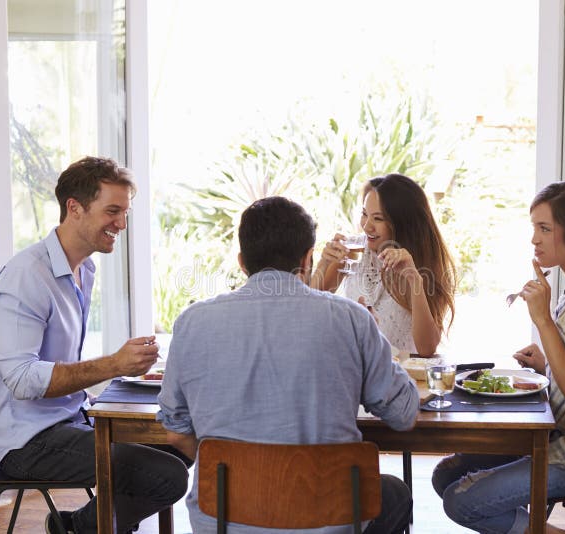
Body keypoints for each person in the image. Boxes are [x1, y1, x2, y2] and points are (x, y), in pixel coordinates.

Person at [157, 196, 419, 534]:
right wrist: (374, 343)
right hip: (330, 519)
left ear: (241, 262)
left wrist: (247, 476)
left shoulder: (191, 322)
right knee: (393, 493)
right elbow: (405, 414)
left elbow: (177, 434)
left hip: (225, 518)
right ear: (308, 260)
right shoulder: (352, 319)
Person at [0, 156, 189, 534]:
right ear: (74, 209)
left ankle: (80, 527)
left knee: (181, 442)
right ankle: (79, 530)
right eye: (113, 211)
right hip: (26, 443)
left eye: (125, 212)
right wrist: (114, 364)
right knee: (167, 476)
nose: (121, 224)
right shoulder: (27, 277)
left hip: (69, 420)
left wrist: (124, 372)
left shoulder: (83, 269)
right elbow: (23, 380)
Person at [431, 182, 565, 534]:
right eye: (534, 228)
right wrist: (545, 366)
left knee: (461, 500)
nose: (534, 239)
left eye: (544, 228)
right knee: (448, 474)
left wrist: (543, 320)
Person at [311, 174, 456, 355]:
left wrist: (414, 280)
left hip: (401, 376)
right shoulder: (353, 249)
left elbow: (426, 349)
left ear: (403, 222)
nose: (367, 226)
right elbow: (307, 311)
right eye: (364, 214)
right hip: (354, 370)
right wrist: (323, 264)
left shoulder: (426, 260)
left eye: (378, 219)